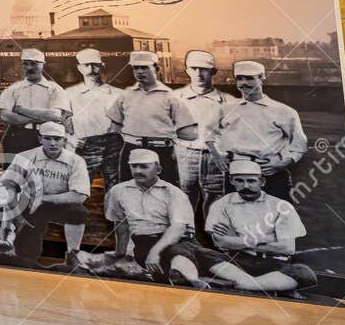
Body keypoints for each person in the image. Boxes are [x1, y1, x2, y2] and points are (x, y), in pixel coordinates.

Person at [203, 159, 317, 295]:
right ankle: (263, 286)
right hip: (237, 262)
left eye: (251, 181)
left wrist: (238, 239)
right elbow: (221, 241)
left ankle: (245, 285)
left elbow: (287, 248)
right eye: (239, 180)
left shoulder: (281, 206)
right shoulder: (221, 204)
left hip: (274, 263)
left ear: (262, 182)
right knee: (202, 254)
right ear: (231, 181)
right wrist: (271, 238)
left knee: (303, 272)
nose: (246, 186)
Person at [103, 148, 211, 287]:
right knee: (167, 260)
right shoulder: (118, 191)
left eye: (144, 167)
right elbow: (121, 224)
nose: (137, 171)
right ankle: (190, 279)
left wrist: (155, 252)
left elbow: (178, 228)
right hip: (144, 242)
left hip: (177, 240)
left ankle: (193, 280)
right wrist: (120, 253)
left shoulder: (172, 192)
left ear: (158, 169)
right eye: (134, 166)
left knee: (208, 259)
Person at [210, 60, 307, 200]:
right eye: (239, 78)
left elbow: (299, 145)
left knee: (278, 216)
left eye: (250, 78)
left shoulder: (283, 111)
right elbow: (209, 135)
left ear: (262, 78)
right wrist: (217, 155)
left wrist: (281, 164)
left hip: (270, 172)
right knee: (237, 215)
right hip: (237, 171)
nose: (244, 83)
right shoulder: (226, 109)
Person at [0, 121, 89, 267]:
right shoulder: (25, 157)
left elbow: (79, 196)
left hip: (58, 203)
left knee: (78, 212)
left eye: (57, 139)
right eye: (48, 138)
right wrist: (16, 214)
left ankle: (73, 253)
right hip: (30, 205)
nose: (53, 143)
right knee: (27, 253)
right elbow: (7, 186)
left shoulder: (76, 161)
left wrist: (44, 198)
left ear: (64, 141)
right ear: (40, 139)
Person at [62, 47, 124, 259]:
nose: (91, 68)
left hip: (113, 145)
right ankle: (72, 249)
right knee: (78, 193)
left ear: (102, 66)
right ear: (79, 68)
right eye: (87, 64)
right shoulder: (70, 94)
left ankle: (121, 249)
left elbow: (122, 121)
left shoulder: (116, 93)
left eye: (95, 64)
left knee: (116, 193)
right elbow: (66, 122)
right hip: (84, 146)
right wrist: (73, 142)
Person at [116, 50, 197, 186]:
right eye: (136, 68)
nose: (140, 72)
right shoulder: (126, 95)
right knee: (128, 190)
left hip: (161, 151)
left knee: (165, 191)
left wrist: (165, 137)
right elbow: (114, 124)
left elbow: (190, 133)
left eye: (145, 67)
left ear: (157, 69)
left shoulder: (171, 97)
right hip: (131, 149)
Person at [175, 49, 235, 219]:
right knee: (184, 198)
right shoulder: (174, 98)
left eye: (204, 69)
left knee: (216, 199)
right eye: (193, 68)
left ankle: (216, 241)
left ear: (213, 72)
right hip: (184, 155)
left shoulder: (228, 101)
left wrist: (224, 154)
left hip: (215, 157)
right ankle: (184, 240)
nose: (199, 74)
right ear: (187, 70)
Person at [0, 48, 71, 158]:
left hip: (47, 136)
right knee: (16, 172)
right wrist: (38, 118)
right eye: (25, 64)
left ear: (43, 65)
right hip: (17, 136)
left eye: (34, 64)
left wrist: (21, 110)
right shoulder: (13, 89)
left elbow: (54, 115)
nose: (29, 68)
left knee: (44, 171)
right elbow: (5, 116)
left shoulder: (55, 89)